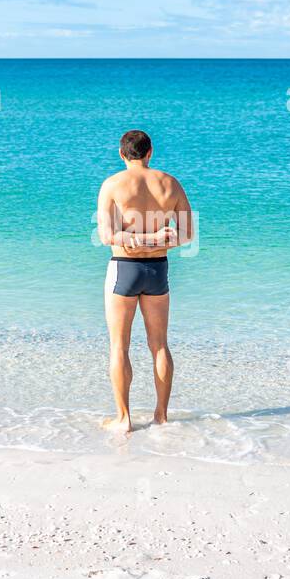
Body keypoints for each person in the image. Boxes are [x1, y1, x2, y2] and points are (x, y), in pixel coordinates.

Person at [96, 129, 194, 435]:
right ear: (150, 152)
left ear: (122, 154)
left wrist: (137, 240)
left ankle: (124, 419)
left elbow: (106, 235)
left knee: (119, 347)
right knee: (160, 346)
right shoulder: (170, 183)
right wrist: (155, 239)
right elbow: (188, 233)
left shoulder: (112, 184)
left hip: (124, 268)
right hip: (157, 271)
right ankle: (161, 416)